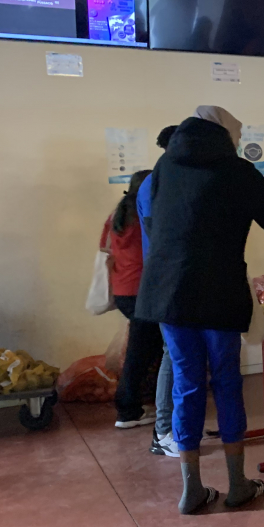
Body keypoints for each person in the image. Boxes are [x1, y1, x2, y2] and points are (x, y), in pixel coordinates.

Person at [137, 106, 264, 515]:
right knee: (227, 383)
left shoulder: (163, 167)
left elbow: (155, 225)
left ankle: (190, 489)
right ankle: (237, 484)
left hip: (167, 293)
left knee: (187, 383)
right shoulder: (237, 171)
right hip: (218, 291)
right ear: (226, 134)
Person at [101, 170, 164, 431]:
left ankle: (141, 404)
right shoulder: (148, 215)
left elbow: (105, 249)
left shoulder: (116, 216)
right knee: (142, 352)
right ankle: (128, 409)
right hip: (145, 291)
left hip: (123, 291)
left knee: (149, 348)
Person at [137, 125, 180, 457]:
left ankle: (176, 424)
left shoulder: (169, 179)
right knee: (171, 355)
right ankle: (163, 431)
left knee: (182, 357)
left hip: (179, 280)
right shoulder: (156, 182)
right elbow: (161, 236)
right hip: (167, 282)